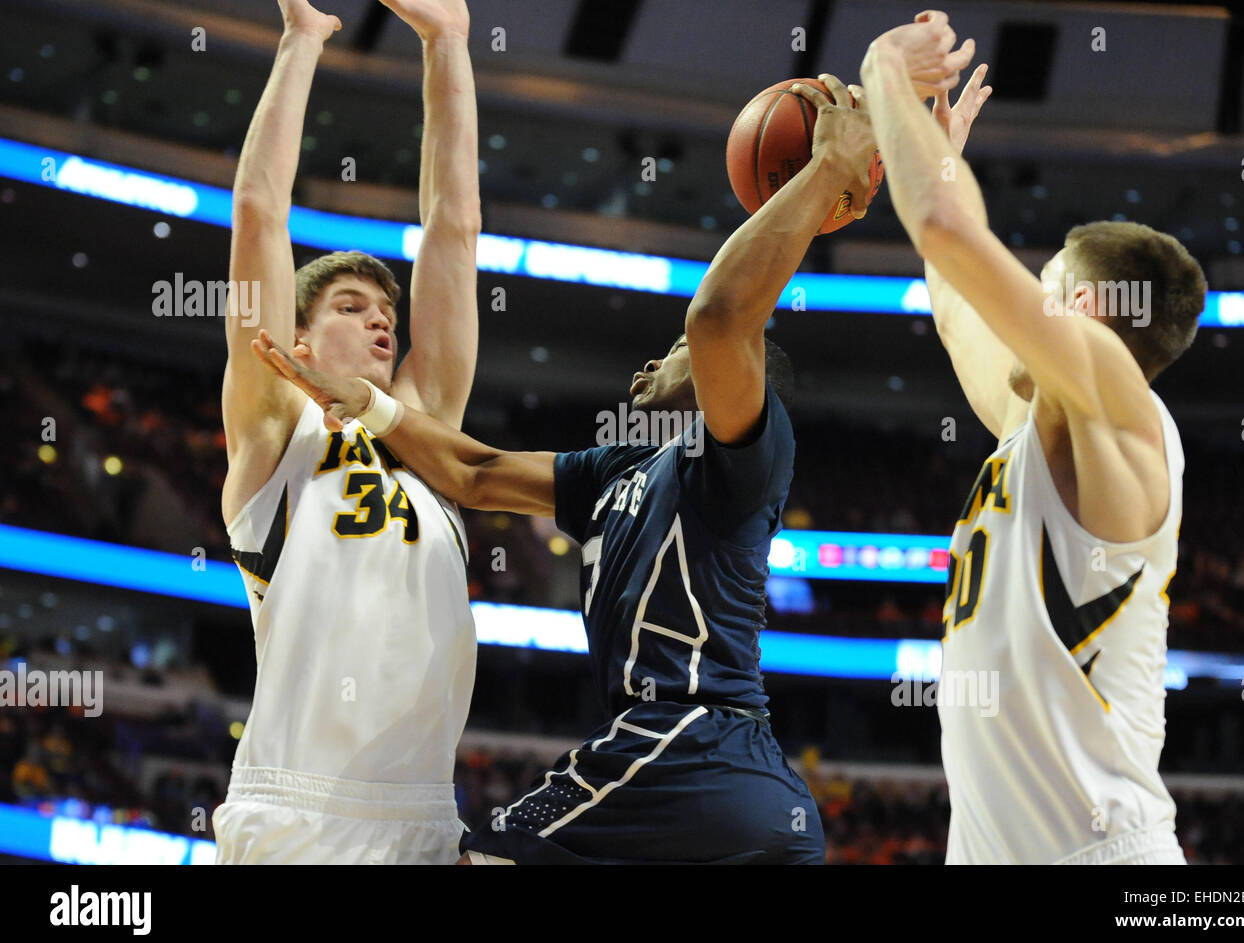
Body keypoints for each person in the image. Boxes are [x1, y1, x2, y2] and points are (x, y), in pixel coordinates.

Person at [251, 43, 966, 862]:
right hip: (755, 797)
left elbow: (719, 318)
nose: (642, 370)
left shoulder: (743, 453)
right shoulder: (618, 471)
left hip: (681, 746)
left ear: (729, 378)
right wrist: (373, 405)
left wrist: (823, 171)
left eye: (663, 358)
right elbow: (474, 472)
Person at [859, 10, 1207, 864]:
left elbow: (949, 230)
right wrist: (944, 154)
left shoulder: (1118, 410)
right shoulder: (1033, 427)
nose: (1021, 303)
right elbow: (952, 303)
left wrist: (882, 72)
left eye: (1044, 283)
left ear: (1084, 314)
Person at [214, 0, 481, 864]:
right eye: (351, 307)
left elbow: (454, 228)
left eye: (388, 313)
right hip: (298, 811)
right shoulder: (272, 432)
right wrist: (300, 41)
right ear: (295, 340)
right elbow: (258, 209)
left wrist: (449, 45)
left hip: (428, 818)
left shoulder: (428, 438)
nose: (381, 324)